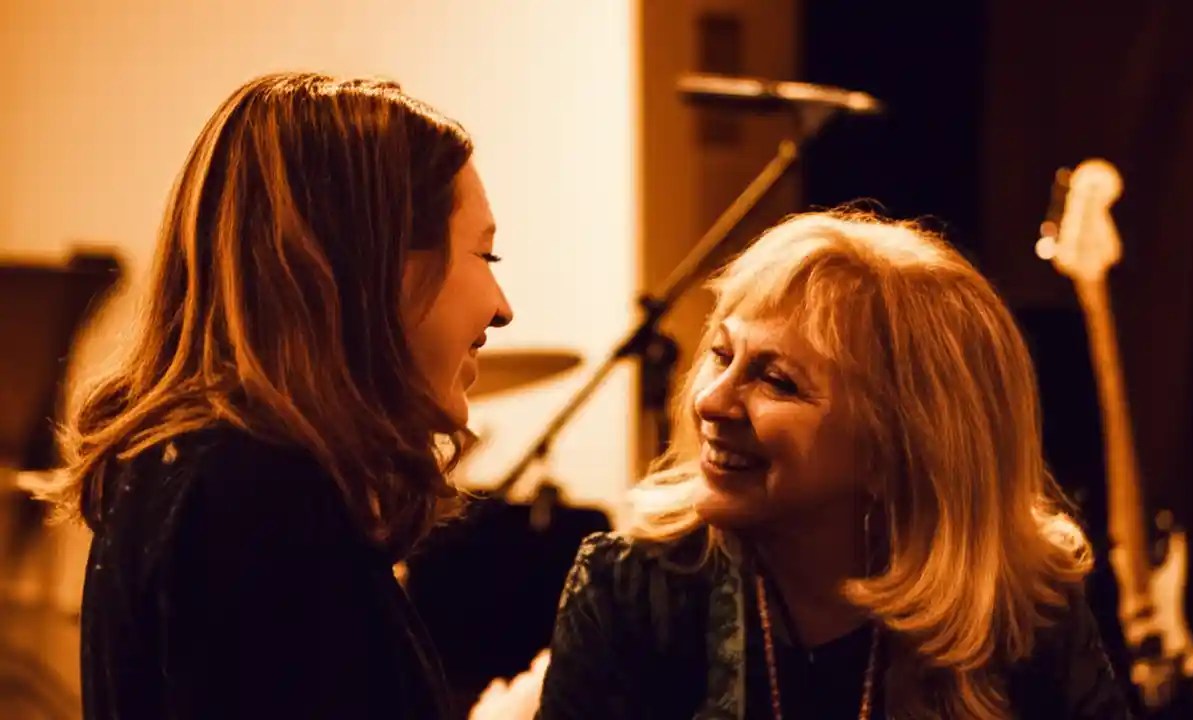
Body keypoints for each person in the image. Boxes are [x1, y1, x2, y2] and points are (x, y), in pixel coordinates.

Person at [38, 72, 513, 719]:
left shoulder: (191, 476)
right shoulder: (256, 498)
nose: (501, 307)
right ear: (376, 266)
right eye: (486, 257)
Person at [536, 210, 1133, 719]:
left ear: (898, 448)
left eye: (776, 380)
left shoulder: (1024, 614)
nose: (710, 400)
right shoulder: (634, 593)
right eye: (721, 354)